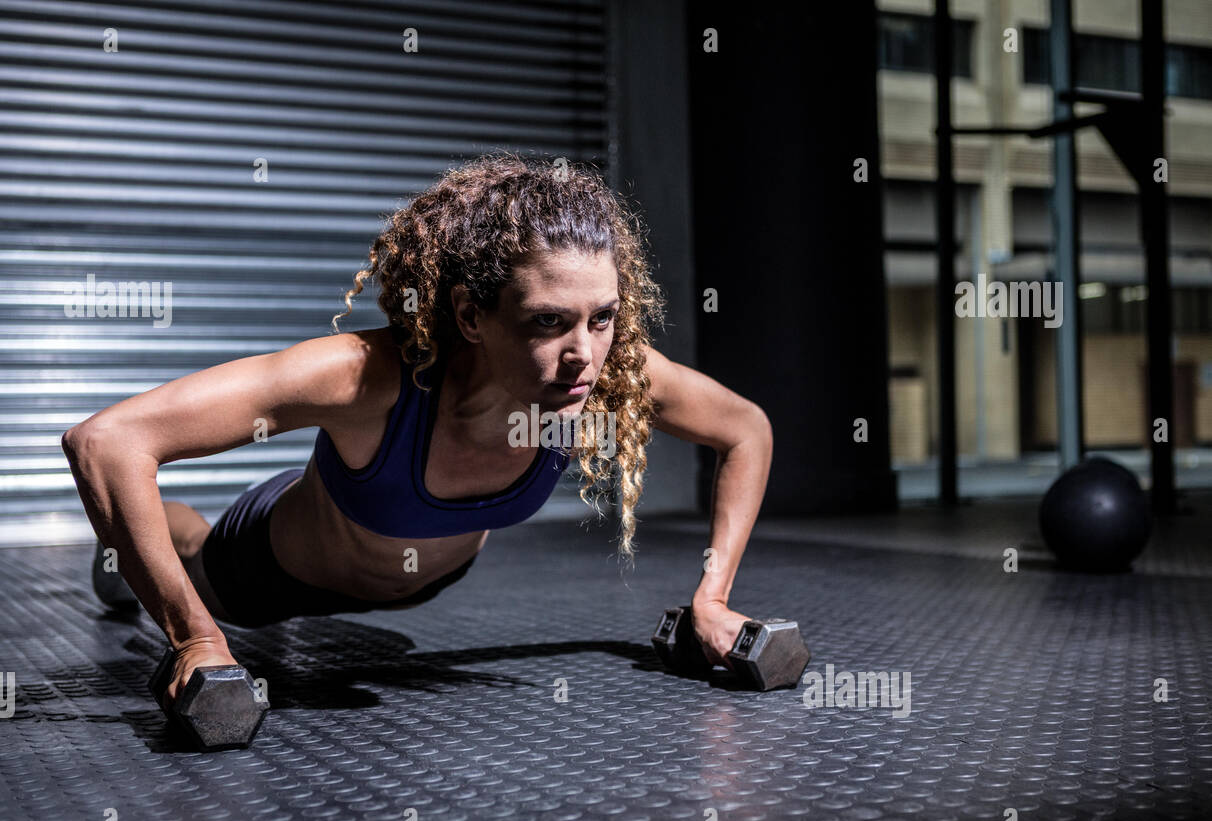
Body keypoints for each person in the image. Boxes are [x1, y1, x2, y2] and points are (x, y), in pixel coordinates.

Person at [62, 152, 773, 709]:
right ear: (470, 315)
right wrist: (194, 637)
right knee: (187, 545)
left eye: (603, 316)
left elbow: (744, 429)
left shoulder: (602, 373)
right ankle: (121, 560)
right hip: (265, 574)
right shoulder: (365, 378)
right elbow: (108, 440)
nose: (583, 352)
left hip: (416, 585)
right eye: (547, 321)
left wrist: (710, 597)